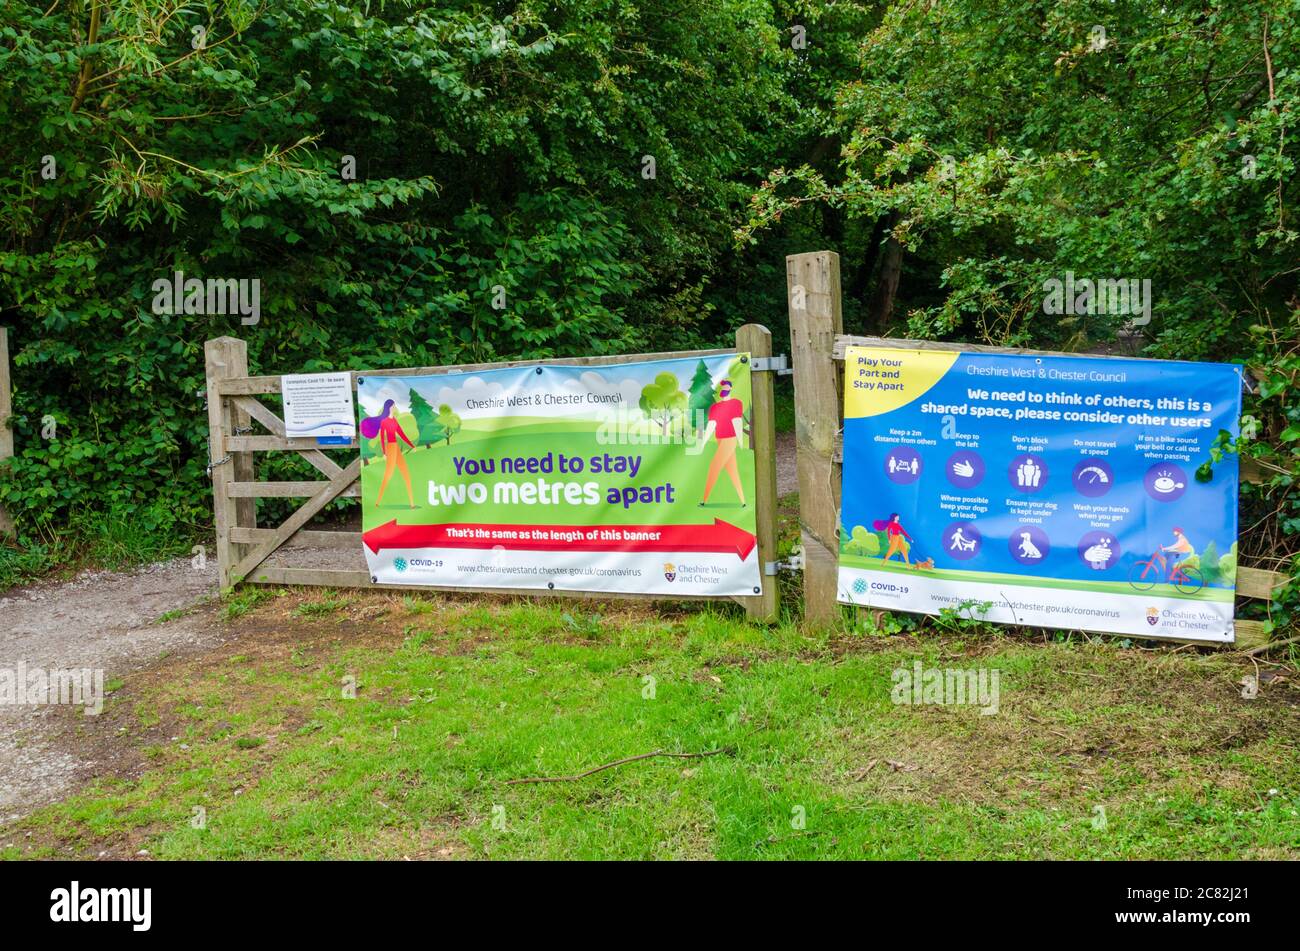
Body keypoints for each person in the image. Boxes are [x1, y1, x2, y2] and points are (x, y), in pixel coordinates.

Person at [699, 379, 746, 506]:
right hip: (720, 439)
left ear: (730, 388)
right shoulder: (715, 407)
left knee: (714, 466)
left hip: (730, 440)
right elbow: (711, 425)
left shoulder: (736, 403)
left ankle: (704, 500)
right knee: (732, 470)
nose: (723, 389)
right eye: (721, 388)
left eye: (725, 387)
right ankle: (743, 501)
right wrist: (703, 443)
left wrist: (741, 442)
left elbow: (737, 422)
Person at [362, 399, 416, 508]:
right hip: (390, 448)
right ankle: (377, 501)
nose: (395, 407)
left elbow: (402, 434)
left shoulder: (395, 421)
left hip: (396, 448)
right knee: (388, 475)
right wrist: (384, 452)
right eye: (394, 405)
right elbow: (382, 437)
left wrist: (412, 446)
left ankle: (412, 503)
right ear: (390, 407)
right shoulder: (384, 422)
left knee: (406, 474)